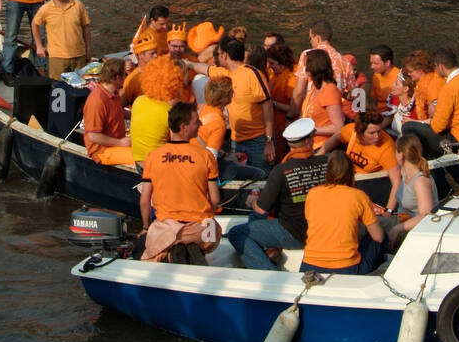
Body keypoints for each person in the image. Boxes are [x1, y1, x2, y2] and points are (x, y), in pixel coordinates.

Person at [228, 117, 328, 271]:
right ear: (308, 142)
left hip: (295, 233)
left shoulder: (281, 171)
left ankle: (269, 271)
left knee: (237, 232)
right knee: (256, 218)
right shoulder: (327, 163)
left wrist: (252, 201)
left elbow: (261, 209)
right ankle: (270, 248)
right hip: (324, 229)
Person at [140, 102, 221, 263]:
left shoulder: (153, 156)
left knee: (149, 255)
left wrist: (145, 227)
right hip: (202, 230)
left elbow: (144, 201)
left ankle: (169, 251)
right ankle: (198, 248)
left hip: (166, 228)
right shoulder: (206, 156)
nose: (200, 124)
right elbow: (215, 200)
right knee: (215, 231)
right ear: (184, 127)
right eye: (196, 121)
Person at [300, 151, 385, 275]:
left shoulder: (312, 194)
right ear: (351, 172)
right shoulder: (358, 196)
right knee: (381, 237)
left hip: (309, 265)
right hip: (346, 268)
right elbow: (378, 237)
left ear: (328, 171)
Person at [218, 36, 275, 170]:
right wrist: (187, 63)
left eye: (219, 54)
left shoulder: (252, 74)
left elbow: (268, 109)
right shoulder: (223, 72)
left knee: (261, 182)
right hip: (236, 142)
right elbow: (203, 68)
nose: (217, 57)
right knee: (241, 184)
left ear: (225, 55)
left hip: (257, 141)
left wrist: (269, 142)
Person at [380, 134, 435, 250]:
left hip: (412, 228)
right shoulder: (405, 172)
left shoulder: (420, 181)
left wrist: (398, 228)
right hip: (402, 219)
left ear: (400, 155)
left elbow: (426, 215)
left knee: (368, 228)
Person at [31, 0, 91, 80]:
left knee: (81, 86)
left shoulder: (78, 5)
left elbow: (86, 28)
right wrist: (39, 46)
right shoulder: (46, 9)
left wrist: (88, 50)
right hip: (57, 58)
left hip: (79, 55)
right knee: (58, 88)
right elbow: (35, 24)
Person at [130, 56, 188, 163]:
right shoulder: (170, 113)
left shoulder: (139, 100)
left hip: (138, 162)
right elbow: (179, 145)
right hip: (158, 166)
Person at [290, 18, 355, 110]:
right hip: (334, 110)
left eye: (310, 38)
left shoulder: (308, 55)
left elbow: (299, 91)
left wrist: (291, 114)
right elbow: (354, 93)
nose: (310, 41)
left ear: (317, 38)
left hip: (313, 112)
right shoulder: (344, 61)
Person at [325, 112, 399, 186]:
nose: (377, 136)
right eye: (372, 133)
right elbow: (337, 137)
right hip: (350, 175)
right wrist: (320, 153)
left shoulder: (387, 148)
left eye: (379, 131)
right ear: (360, 132)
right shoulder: (352, 131)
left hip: (372, 181)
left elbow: (396, 181)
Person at [83, 58, 133, 165]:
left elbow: (116, 110)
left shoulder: (113, 93)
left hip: (116, 144)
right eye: (125, 75)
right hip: (102, 150)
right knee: (142, 158)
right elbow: (93, 136)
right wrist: (120, 142)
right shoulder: (97, 100)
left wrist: (136, 116)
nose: (126, 77)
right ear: (117, 77)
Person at [402, 51, 444, 123]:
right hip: (428, 123)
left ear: (421, 70)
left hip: (438, 128)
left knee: (408, 127)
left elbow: (438, 119)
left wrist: (414, 122)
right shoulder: (420, 84)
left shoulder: (433, 85)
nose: (408, 74)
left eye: (410, 71)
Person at [122, 29, 159, 104]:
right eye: (152, 54)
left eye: (156, 52)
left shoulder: (161, 71)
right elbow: (121, 106)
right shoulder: (132, 80)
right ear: (141, 55)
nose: (156, 56)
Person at [369, 46, 399, 116]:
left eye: (376, 63)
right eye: (371, 63)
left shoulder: (399, 78)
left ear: (387, 63)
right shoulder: (376, 75)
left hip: (392, 115)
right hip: (378, 113)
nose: (372, 67)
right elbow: (374, 100)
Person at [387, 69, 417, 135]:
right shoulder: (395, 101)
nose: (392, 85)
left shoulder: (415, 109)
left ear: (406, 88)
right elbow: (388, 118)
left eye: (396, 84)